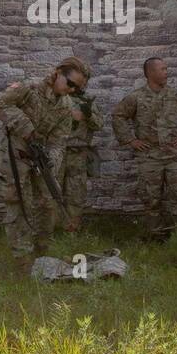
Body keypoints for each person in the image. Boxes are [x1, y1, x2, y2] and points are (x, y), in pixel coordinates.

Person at [0, 57, 86, 270]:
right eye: (70, 83)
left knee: (48, 202)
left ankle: (42, 252)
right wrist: (27, 128)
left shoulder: (65, 105)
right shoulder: (29, 88)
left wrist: (50, 162)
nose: (71, 90)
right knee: (17, 203)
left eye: (77, 88)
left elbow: (59, 140)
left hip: (39, 157)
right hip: (14, 154)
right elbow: (0, 104)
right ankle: (22, 261)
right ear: (57, 73)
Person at [111, 56, 177, 241]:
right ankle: (156, 238)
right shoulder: (136, 97)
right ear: (150, 72)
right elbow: (118, 115)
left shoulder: (175, 96)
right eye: (163, 69)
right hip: (149, 157)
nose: (166, 72)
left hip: (174, 156)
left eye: (166, 69)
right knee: (151, 200)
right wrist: (130, 140)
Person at [58, 61, 103, 232]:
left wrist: (87, 115)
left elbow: (99, 125)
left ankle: (71, 231)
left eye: (85, 81)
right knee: (50, 192)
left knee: (76, 195)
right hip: (56, 152)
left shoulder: (87, 101)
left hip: (78, 154)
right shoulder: (57, 97)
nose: (82, 84)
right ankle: (49, 231)